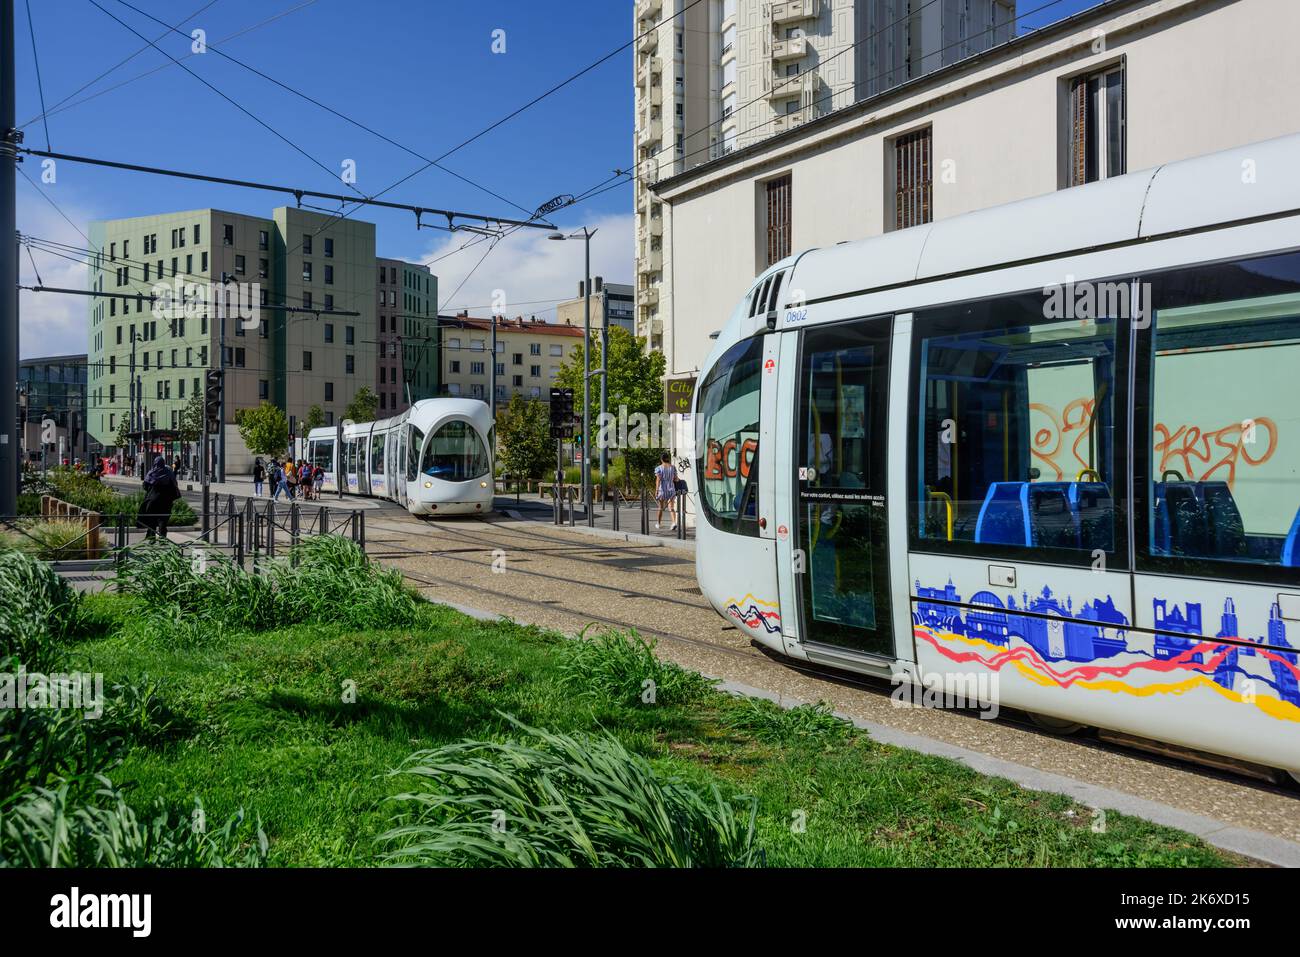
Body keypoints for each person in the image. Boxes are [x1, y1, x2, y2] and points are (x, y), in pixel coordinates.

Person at [138, 455, 180, 540]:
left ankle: (151, 538)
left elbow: (145, 486)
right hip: (165, 502)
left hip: (152, 501)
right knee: (163, 521)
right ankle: (162, 539)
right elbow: (174, 484)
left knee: (152, 521)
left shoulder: (151, 472)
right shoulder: (168, 472)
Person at [654, 451, 678, 531]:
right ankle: (674, 522)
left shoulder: (659, 468)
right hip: (671, 489)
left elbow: (658, 480)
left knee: (660, 507)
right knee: (671, 507)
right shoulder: (673, 467)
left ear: (661, 459)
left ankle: (658, 523)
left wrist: (656, 490)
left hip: (662, 489)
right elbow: (675, 479)